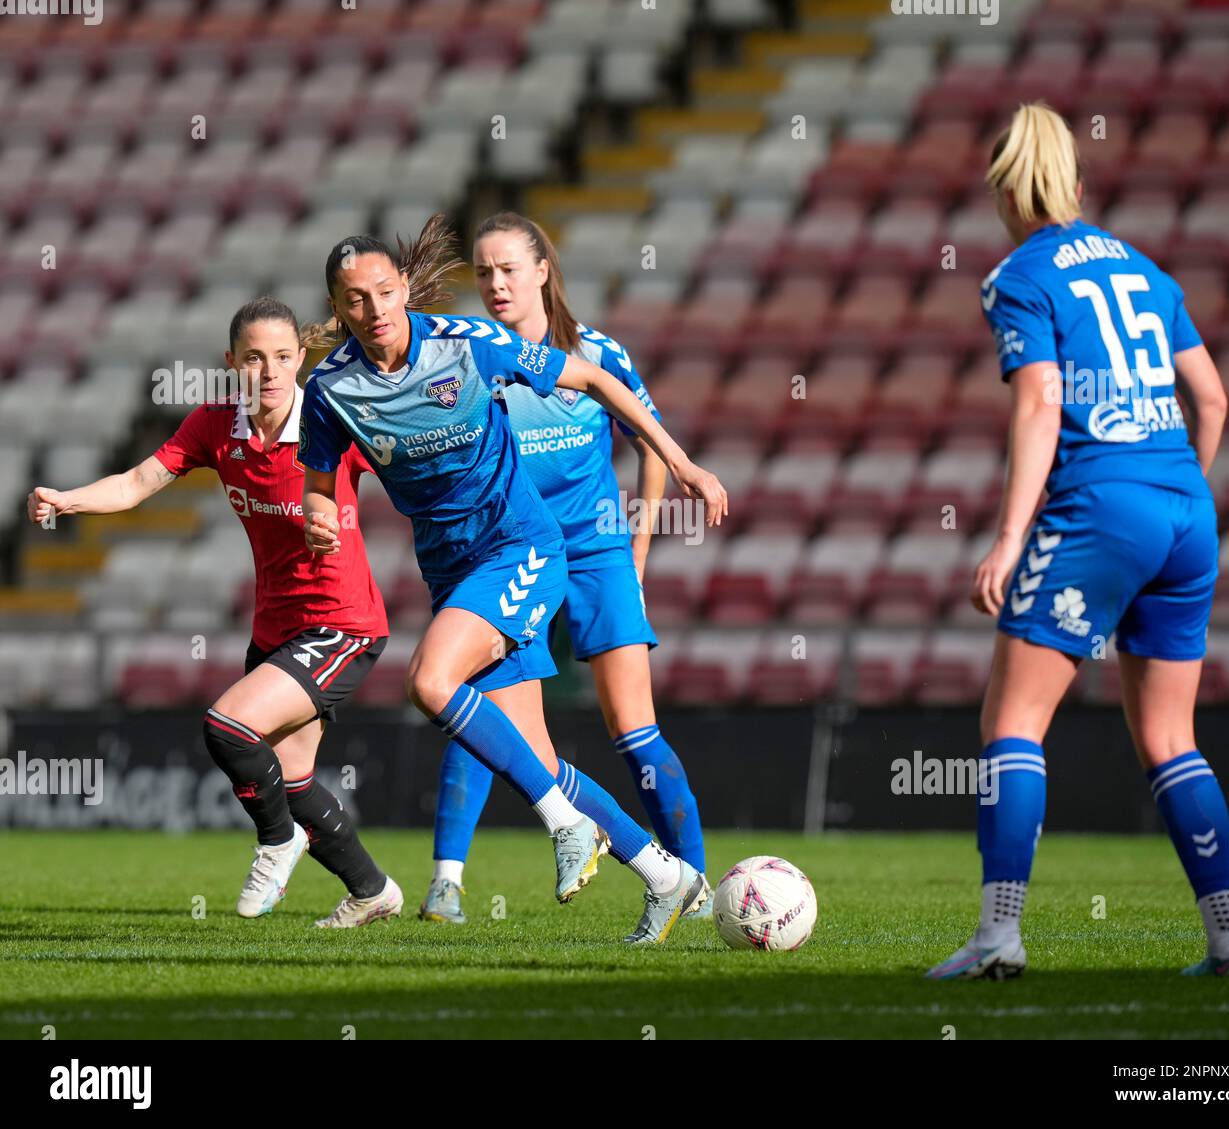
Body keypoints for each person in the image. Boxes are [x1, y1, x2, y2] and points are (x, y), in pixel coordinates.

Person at [298, 219, 728, 943]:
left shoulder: (467, 344)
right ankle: (666, 875)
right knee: (534, 756)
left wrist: (682, 467)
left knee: (433, 681)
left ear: (402, 288)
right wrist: (318, 517)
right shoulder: (333, 388)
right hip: (453, 566)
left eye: (382, 292)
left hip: (525, 547)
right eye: (355, 299)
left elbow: (594, 378)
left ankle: (563, 833)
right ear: (339, 307)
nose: (373, 310)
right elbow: (319, 481)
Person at [926, 103, 1229, 980]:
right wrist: (1177, 487)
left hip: (1098, 505)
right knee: (1171, 736)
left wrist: (1008, 540)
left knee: (1013, 722)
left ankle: (998, 936)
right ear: (1076, 182)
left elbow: (1040, 400)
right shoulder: (1147, 271)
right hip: (1185, 511)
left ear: (1008, 190)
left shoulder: (1019, 277)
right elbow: (1217, 401)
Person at [27, 298, 401, 927]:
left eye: (284, 356)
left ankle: (277, 841)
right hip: (278, 630)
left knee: (229, 727)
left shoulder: (333, 419)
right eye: (255, 357)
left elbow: (418, 471)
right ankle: (373, 891)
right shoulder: (214, 425)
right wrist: (67, 500)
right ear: (232, 363)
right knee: (298, 779)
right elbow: (139, 483)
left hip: (343, 623)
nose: (272, 370)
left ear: (301, 359)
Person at [419, 211, 708, 927]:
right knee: (484, 709)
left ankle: (691, 884)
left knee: (635, 730)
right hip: (515, 553)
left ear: (543, 270)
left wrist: (637, 550)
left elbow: (648, 439)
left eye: (508, 269)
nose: (494, 284)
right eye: (483, 272)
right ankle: (446, 882)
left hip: (597, 553)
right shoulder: (475, 363)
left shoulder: (600, 353)